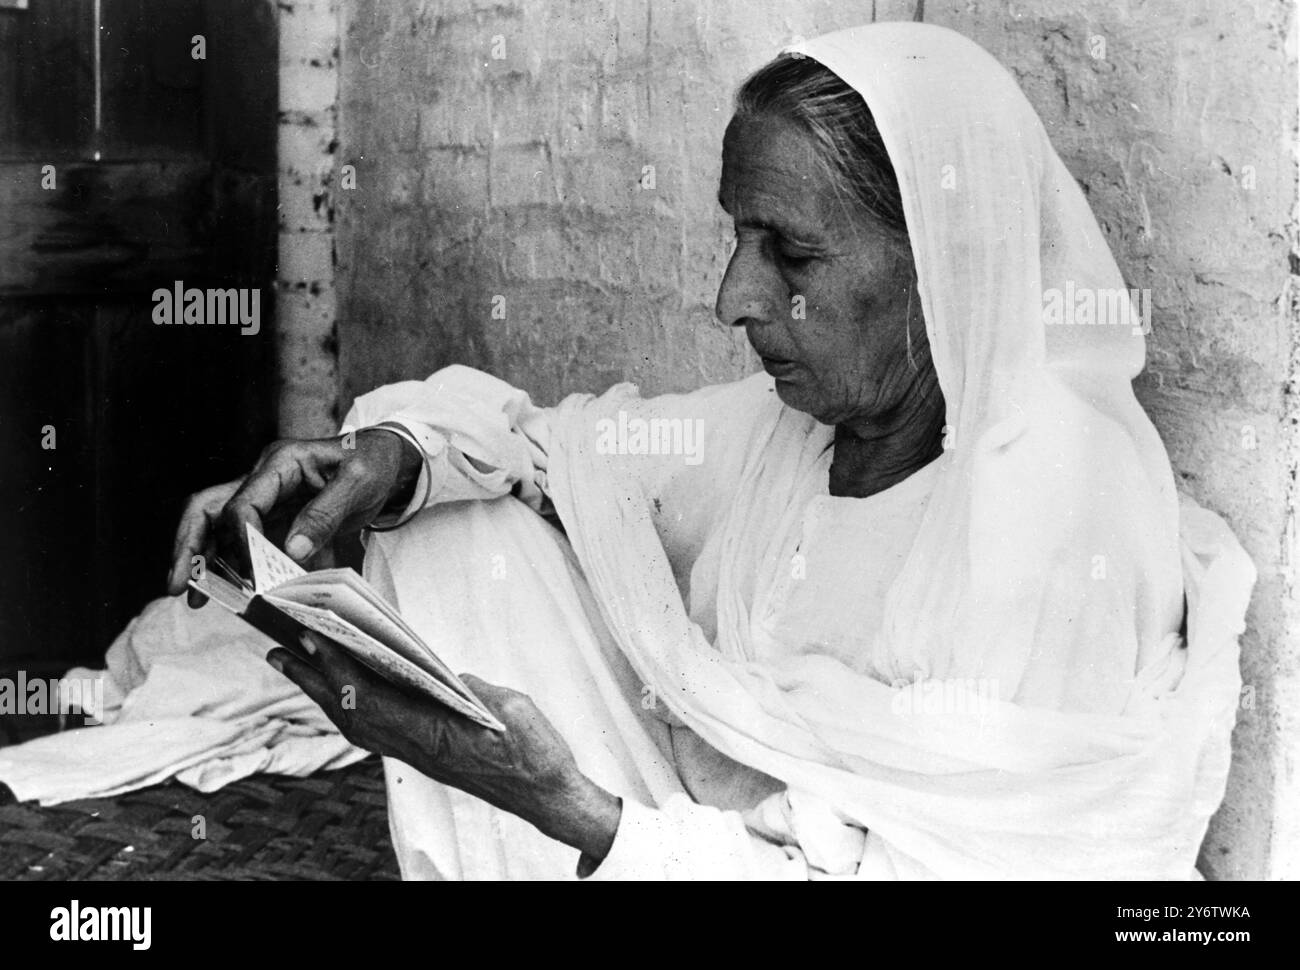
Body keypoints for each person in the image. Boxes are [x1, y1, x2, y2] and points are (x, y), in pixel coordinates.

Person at [167, 22, 1253, 879]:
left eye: (789, 252)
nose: (733, 298)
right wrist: (391, 453)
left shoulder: (1049, 509)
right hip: (694, 845)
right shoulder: (795, 432)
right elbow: (558, 450)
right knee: (463, 524)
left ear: (945, 263)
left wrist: (560, 803)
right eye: (738, 237)